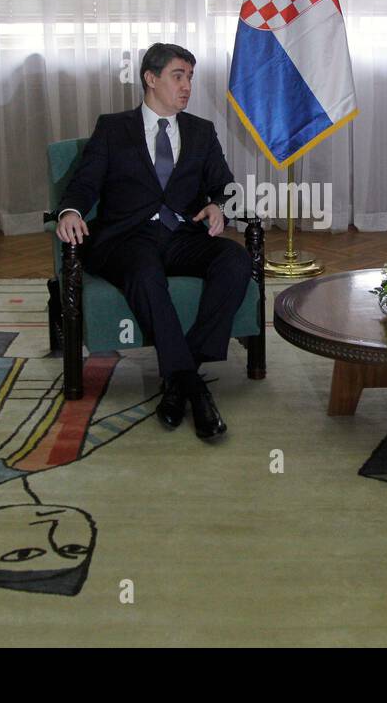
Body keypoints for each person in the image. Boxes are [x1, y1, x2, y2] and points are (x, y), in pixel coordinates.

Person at [55, 43, 252, 441]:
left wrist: (217, 205)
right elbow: (85, 182)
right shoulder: (113, 128)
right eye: (178, 76)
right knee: (144, 272)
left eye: (190, 77)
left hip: (182, 234)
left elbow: (225, 186)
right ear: (150, 78)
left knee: (233, 259)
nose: (187, 86)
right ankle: (194, 388)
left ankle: (182, 376)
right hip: (127, 239)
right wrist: (71, 212)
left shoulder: (200, 131)